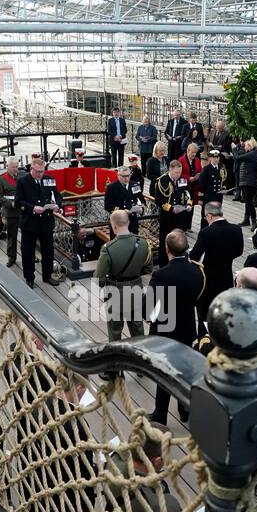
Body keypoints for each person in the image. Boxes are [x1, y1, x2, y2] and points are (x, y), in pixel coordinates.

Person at [148, 230, 204, 424]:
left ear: (167, 249)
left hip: (165, 332)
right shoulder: (198, 271)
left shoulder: (161, 275)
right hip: (187, 328)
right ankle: (185, 410)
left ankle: (160, 414)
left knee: (164, 373)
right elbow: (198, 298)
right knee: (184, 371)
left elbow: (150, 308)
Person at [96, 209, 153, 341]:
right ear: (128, 223)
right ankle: (140, 356)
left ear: (114, 226)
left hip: (115, 292)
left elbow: (99, 279)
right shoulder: (143, 243)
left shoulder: (108, 248)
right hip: (135, 290)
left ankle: (117, 359)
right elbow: (148, 269)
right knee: (137, 329)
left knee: (115, 331)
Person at [188, 201, 243, 327]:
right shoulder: (236, 229)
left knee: (205, 312)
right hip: (226, 276)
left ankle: (204, 341)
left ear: (210, 216)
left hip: (208, 279)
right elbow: (239, 251)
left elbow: (194, 256)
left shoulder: (206, 232)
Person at [15, 157, 64, 288]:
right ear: (31, 169)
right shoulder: (22, 181)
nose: (39, 174)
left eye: (42, 171)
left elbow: (58, 196)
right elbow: (18, 202)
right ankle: (29, 277)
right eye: (37, 171)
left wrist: (57, 205)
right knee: (28, 252)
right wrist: (32, 208)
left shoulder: (49, 180)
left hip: (46, 222)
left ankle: (47, 275)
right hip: (29, 223)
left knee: (48, 251)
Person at [152, 159, 194, 266]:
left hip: (181, 216)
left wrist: (189, 204)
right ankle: (163, 264)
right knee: (165, 241)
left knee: (180, 241)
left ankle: (178, 263)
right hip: (168, 217)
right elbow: (159, 200)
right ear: (170, 169)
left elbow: (189, 194)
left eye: (180, 172)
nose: (178, 175)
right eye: (176, 172)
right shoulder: (162, 181)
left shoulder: (182, 180)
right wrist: (171, 209)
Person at [196, 149, 233, 227]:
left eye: (217, 158)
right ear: (210, 158)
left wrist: (224, 188)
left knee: (217, 215)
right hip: (208, 197)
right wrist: (200, 198)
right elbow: (201, 185)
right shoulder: (206, 169)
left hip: (218, 196)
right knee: (206, 217)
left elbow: (224, 180)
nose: (216, 159)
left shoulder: (222, 168)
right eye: (213, 158)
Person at [0, 156, 23, 267]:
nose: (15, 169)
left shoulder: (23, 176)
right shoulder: (2, 179)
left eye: (16, 167)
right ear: (7, 166)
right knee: (11, 236)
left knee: (27, 235)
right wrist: (10, 204)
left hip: (23, 211)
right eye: (13, 167)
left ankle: (29, 255)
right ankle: (11, 257)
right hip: (10, 212)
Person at [104, 165, 144, 234]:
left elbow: (142, 200)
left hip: (132, 221)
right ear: (118, 175)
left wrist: (141, 209)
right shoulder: (111, 187)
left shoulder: (135, 185)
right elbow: (107, 206)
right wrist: (122, 212)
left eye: (128, 176)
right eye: (123, 176)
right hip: (118, 222)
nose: (126, 178)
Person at [235, 138, 257, 228]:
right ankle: (246, 219)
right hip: (247, 180)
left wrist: (234, 149)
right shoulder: (254, 153)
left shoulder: (252, 154)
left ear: (250, 146)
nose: (244, 147)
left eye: (246, 145)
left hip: (249, 181)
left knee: (249, 202)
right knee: (248, 201)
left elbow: (237, 158)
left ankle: (254, 221)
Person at [178, 143, 203, 208]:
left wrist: (199, 175)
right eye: (192, 152)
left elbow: (201, 171)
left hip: (194, 188)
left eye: (195, 152)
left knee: (191, 208)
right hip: (184, 188)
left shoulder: (197, 160)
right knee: (184, 207)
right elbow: (178, 174)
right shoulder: (181, 160)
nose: (194, 154)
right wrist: (188, 178)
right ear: (188, 151)